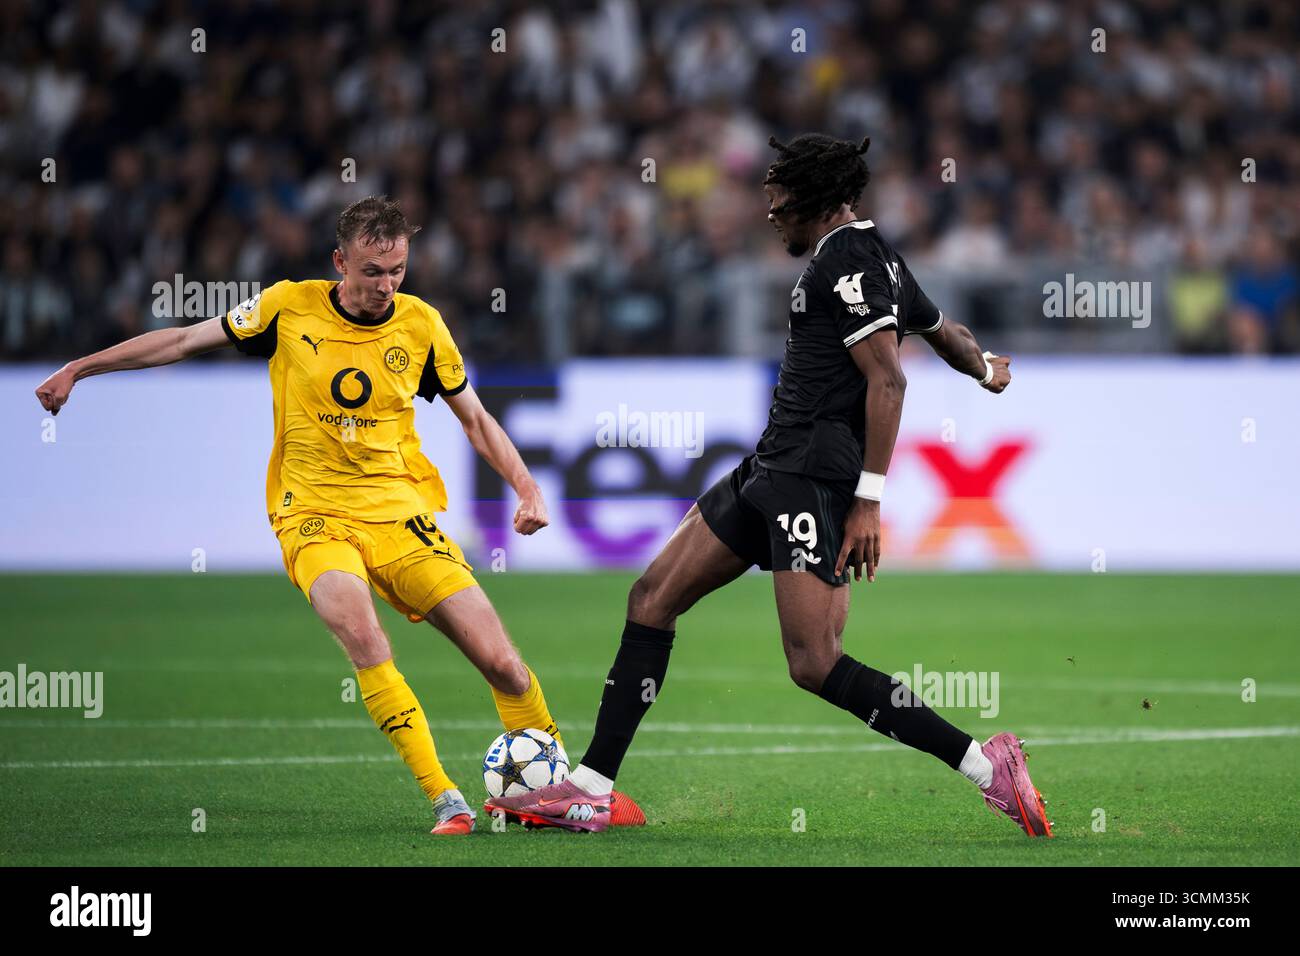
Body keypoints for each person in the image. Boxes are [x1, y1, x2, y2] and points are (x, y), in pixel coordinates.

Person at [485, 135, 1051, 837]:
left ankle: (986, 766)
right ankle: (592, 789)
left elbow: (890, 380)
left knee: (814, 663)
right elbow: (949, 334)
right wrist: (986, 368)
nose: (770, 211)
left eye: (779, 198)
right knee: (652, 598)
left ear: (816, 197)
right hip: (770, 469)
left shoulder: (848, 261)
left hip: (813, 481)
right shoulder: (878, 258)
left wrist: (867, 501)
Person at [35, 195, 643, 835]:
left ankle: (561, 793)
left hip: (400, 515)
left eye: (397, 270)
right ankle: (446, 799)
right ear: (339, 262)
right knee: (365, 637)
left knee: (503, 665)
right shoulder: (287, 306)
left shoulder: (422, 325)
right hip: (313, 515)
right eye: (372, 271)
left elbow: (475, 418)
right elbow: (184, 340)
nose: (386, 285)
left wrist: (527, 487)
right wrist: (81, 367)